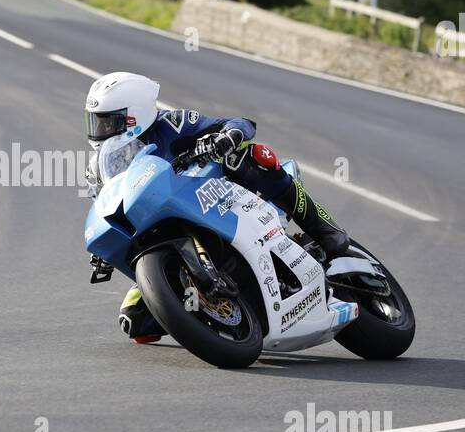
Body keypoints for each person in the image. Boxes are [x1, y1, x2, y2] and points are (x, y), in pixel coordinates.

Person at [83, 71, 348, 343]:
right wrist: (105, 252)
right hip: (158, 232)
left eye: (106, 121)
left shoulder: (171, 124)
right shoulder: (99, 166)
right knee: (135, 322)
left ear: (134, 115)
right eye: (94, 121)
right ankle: (212, 312)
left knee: (251, 155)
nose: (98, 130)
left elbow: (239, 123)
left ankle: (324, 229)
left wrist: (228, 136)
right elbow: (106, 208)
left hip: (213, 197)